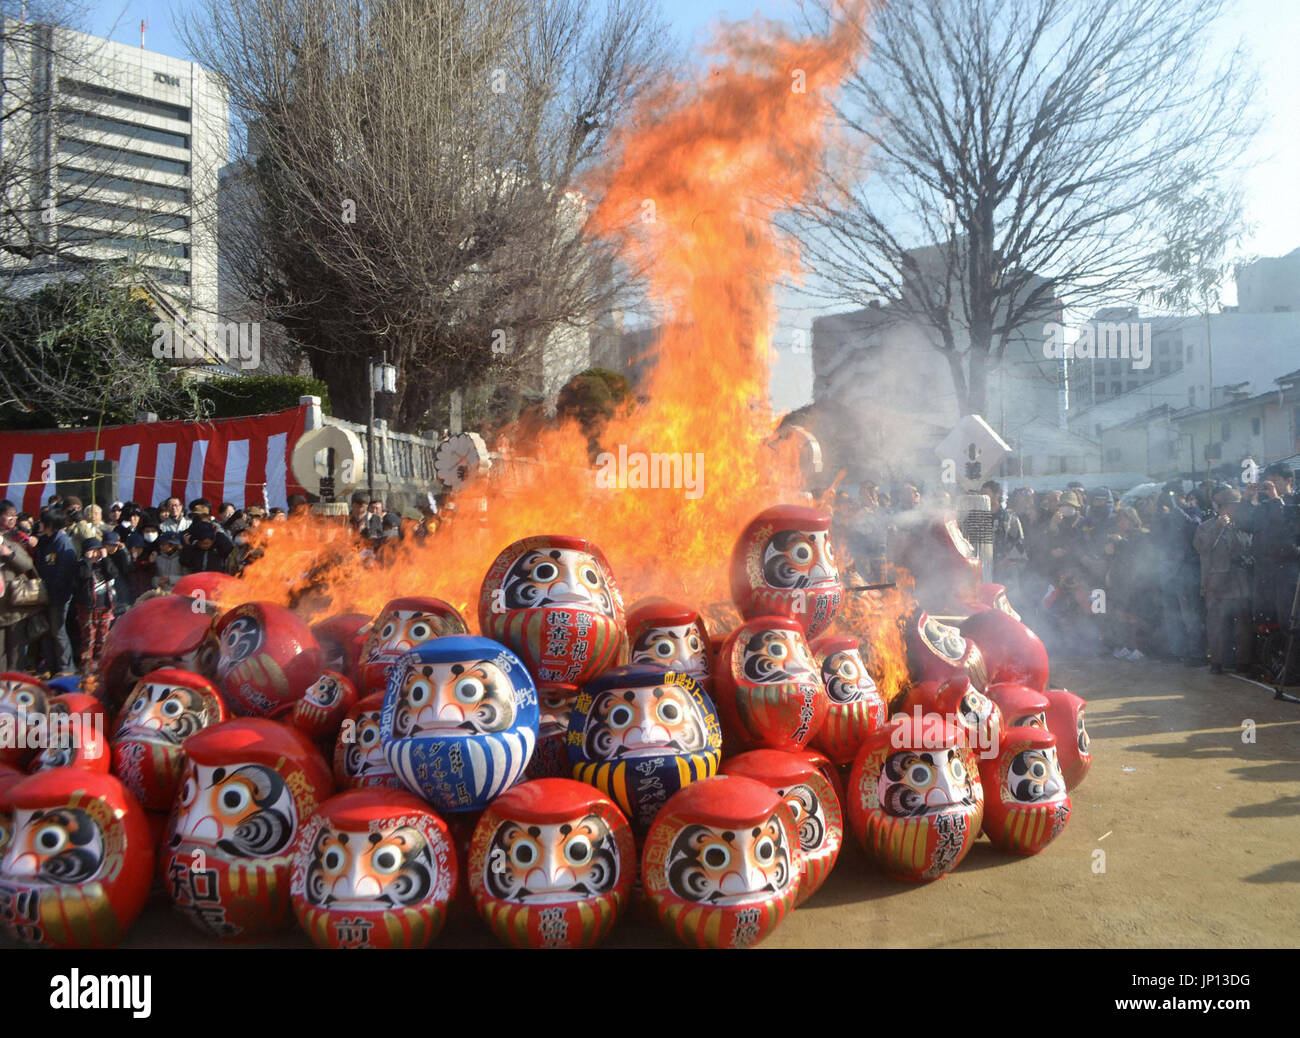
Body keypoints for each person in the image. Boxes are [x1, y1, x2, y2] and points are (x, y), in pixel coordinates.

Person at [1239, 463, 1300, 683]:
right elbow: (1243, 524)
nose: (1270, 485)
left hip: (1288, 569)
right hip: (1264, 569)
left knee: (1289, 622)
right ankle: (1272, 666)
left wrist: (1276, 500)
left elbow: (1284, 526)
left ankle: (1293, 671)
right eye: (1268, 481)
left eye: (1275, 480)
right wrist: (1246, 499)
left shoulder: (1293, 503)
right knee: (1264, 618)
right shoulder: (1263, 506)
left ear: (1289, 481)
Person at [1194, 488, 1254, 675]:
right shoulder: (1206, 526)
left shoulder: (1243, 526)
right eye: (1231, 507)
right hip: (1216, 583)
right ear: (1221, 508)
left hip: (1239, 581)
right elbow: (1201, 547)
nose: (1234, 510)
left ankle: (1243, 661)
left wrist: (1235, 528)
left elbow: (1246, 548)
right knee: (1216, 624)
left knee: (1243, 624)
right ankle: (1217, 661)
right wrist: (1217, 528)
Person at [34, 508, 78, 677]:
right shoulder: (45, 541)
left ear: (50, 525)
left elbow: (64, 572)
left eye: (43, 522)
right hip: (44, 594)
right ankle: (51, 666)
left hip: (59, 596)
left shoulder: (62, 542)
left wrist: (54, 593)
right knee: (46, 631)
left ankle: (67, 668)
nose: (40, 524)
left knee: (58, 631)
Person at [0, 507, 38, 669]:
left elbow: (27, 565)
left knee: (16, 653)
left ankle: (16, 683)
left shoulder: (12, 544)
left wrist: (9, 554)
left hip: (15, 608)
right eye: (8, 516)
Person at [73, 538, 117, 674]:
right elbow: (84, 575)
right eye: (93, 551)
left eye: (98, 550)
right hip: (87, 608)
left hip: (105, 606)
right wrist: (87, 559)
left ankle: (100, 668)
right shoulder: (81, 565)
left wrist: (104, 558)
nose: (95, 554)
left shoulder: (104, 564)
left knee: (103, 640)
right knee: (88, 640)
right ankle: (86, 669)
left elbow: (112, 574)